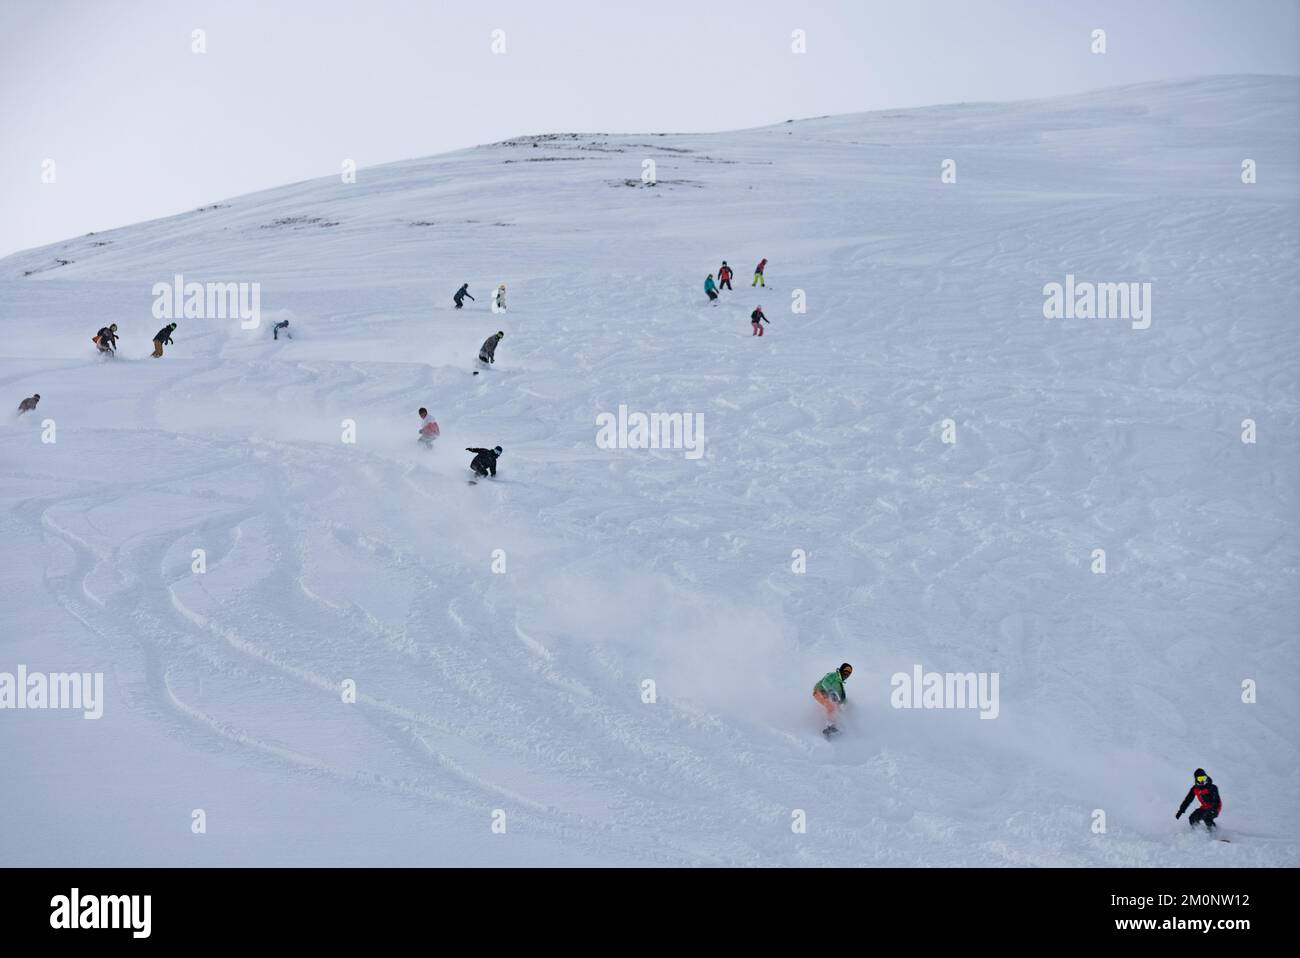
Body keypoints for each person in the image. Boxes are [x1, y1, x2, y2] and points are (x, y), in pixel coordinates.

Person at [813, 663, 853, 735]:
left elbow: (842, 699)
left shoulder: (840, 686)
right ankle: (830, 726)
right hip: (819, 691)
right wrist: (831, 692)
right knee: (831, 706)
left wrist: (848, 705)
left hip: (827, 695)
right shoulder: (833, 675)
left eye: (849, 673)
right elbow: (825, 682)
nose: (846, 674)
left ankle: (837, 727)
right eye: (845, 671)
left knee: (838, 710)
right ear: (841, 670)